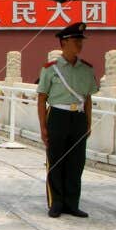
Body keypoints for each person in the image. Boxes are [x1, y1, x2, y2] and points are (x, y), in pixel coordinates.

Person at [37, 21, 99, 219]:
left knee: (76, 161)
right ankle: (56, 202)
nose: (80, 44)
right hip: (57, 116)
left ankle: (72, 203)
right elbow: (42, 98)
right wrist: (43, 127)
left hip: (78, 118)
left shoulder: (86, 69)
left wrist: (88, 122)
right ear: (64, 43)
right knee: (56, 160)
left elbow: (88, 99)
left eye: (81, 40)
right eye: (75, 40)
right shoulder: (50, 69)